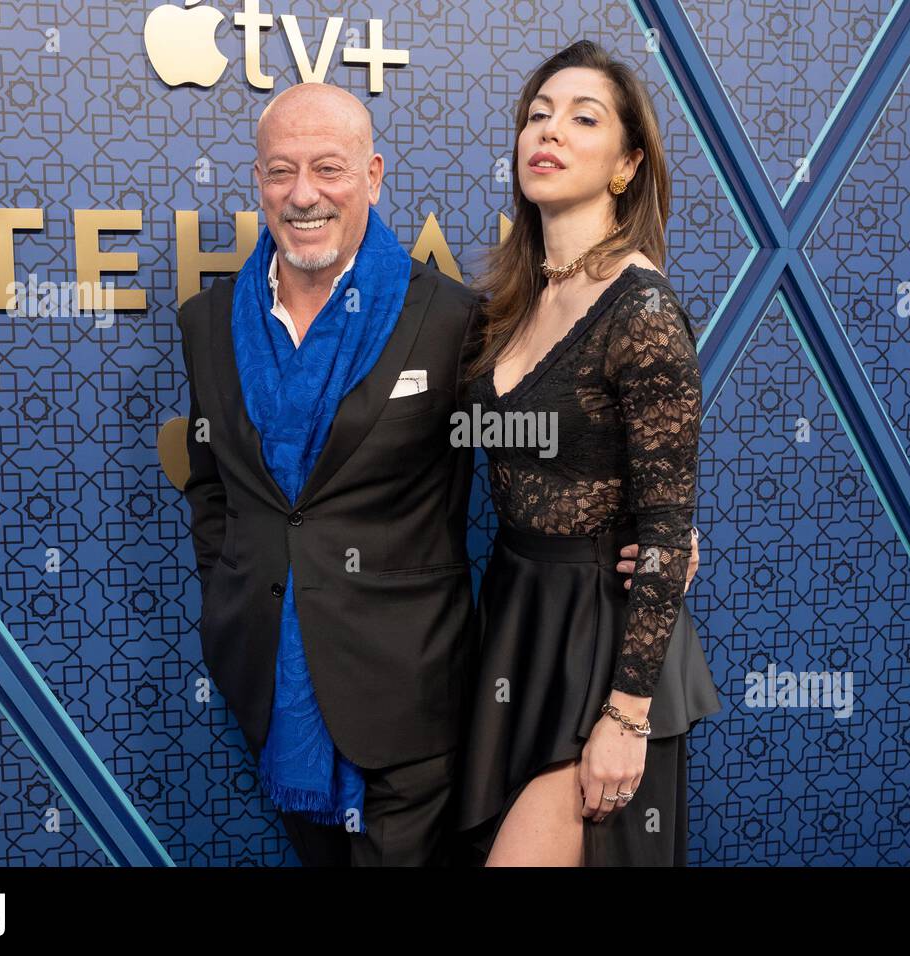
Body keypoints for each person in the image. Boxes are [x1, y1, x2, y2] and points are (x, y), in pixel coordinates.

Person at [174, 81, 692, 866]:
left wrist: (664, 540)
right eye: (281, 171)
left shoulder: (455, 319)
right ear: (257, 181)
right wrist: (231, 597)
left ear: (374, 176)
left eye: (329, 168)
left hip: (428, 685)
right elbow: (212, 489)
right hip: (278, 682)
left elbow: (565, 441)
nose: (303, 193)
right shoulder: (207, 326)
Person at [455, 40, 723, 866]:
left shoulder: (640, 309)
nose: (551, 131)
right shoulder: (515, 298)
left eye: (583, 117)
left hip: (601, 643)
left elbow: (668, 527)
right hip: (516, 617)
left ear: (627, 162)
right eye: (538, 115)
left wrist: (625, 715)